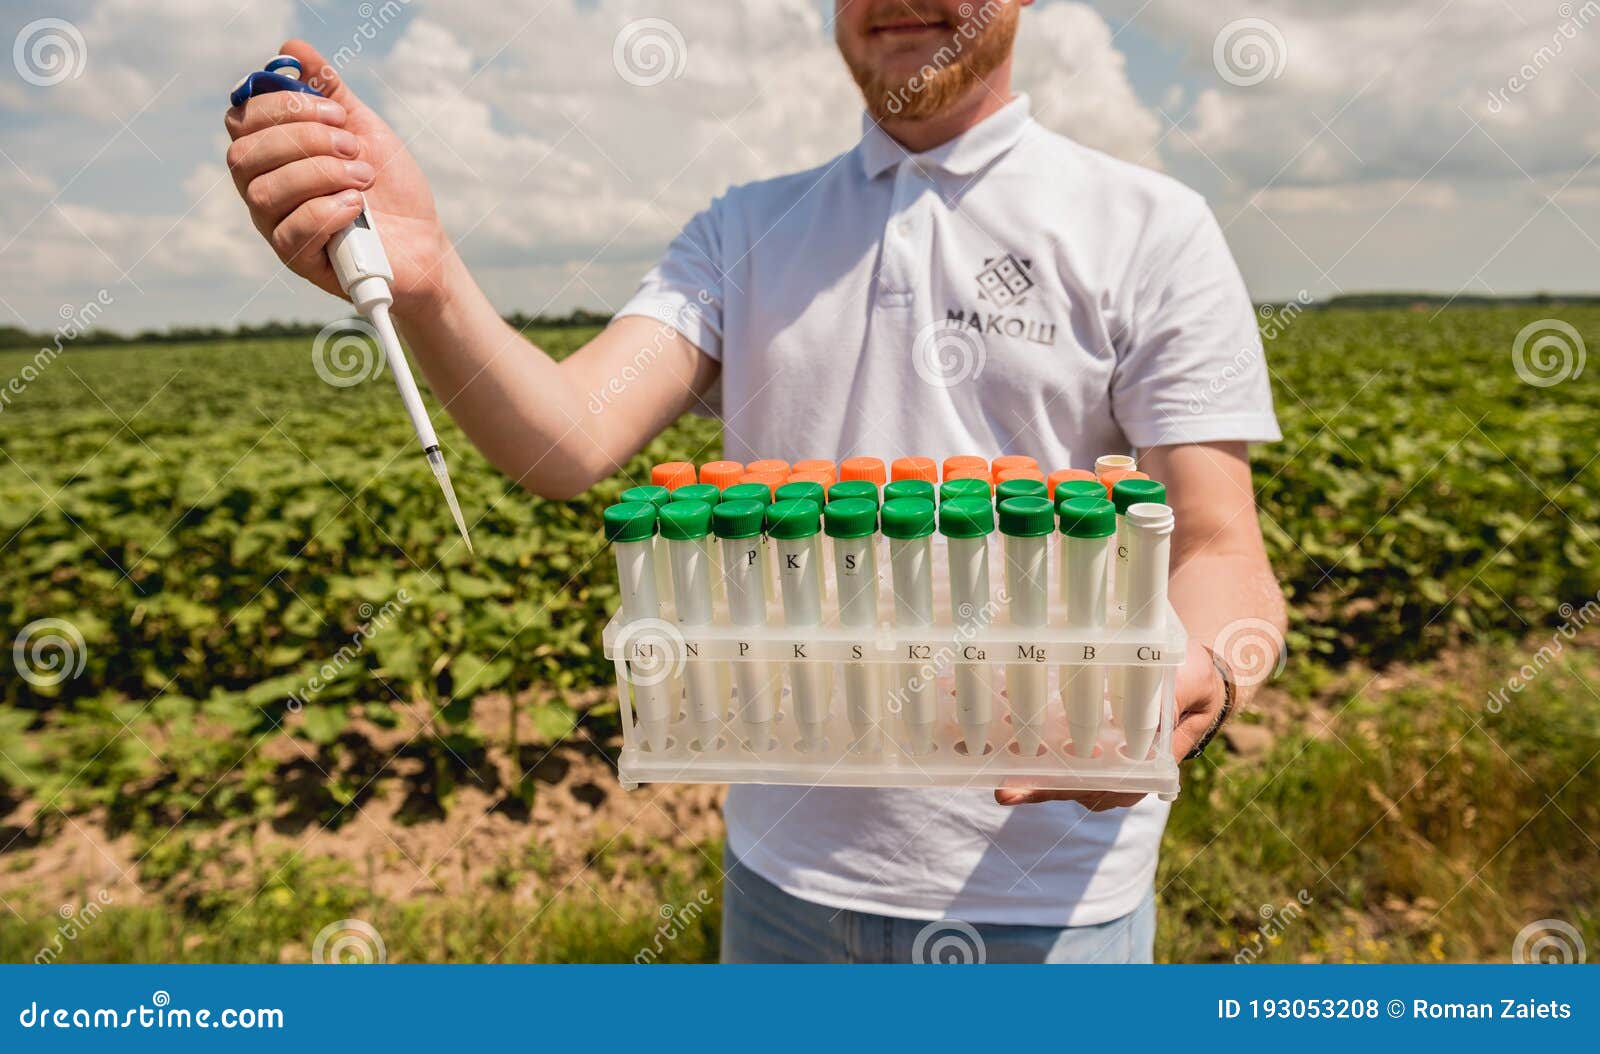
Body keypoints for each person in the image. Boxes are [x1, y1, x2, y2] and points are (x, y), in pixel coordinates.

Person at [223, 0, 1286, 963]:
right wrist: (431, 277)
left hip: (1050, 897)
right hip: (783, 883)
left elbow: (1215, 545)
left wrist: (1206, 669)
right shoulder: (745, 233)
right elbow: (568, 438)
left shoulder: (1149, 228)